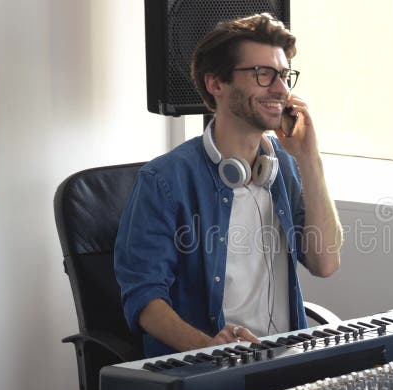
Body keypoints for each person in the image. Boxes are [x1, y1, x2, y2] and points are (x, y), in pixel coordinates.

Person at [114, 13, 342, 358]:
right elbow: (144, 299)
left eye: (284, 76)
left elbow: (325, 264)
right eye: (263, 75)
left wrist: (310, 160)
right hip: (208, 372)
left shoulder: (283, 168)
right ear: (216, 84)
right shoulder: (165, 181)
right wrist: (209, 349)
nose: (281, 89)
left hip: (287, 365)